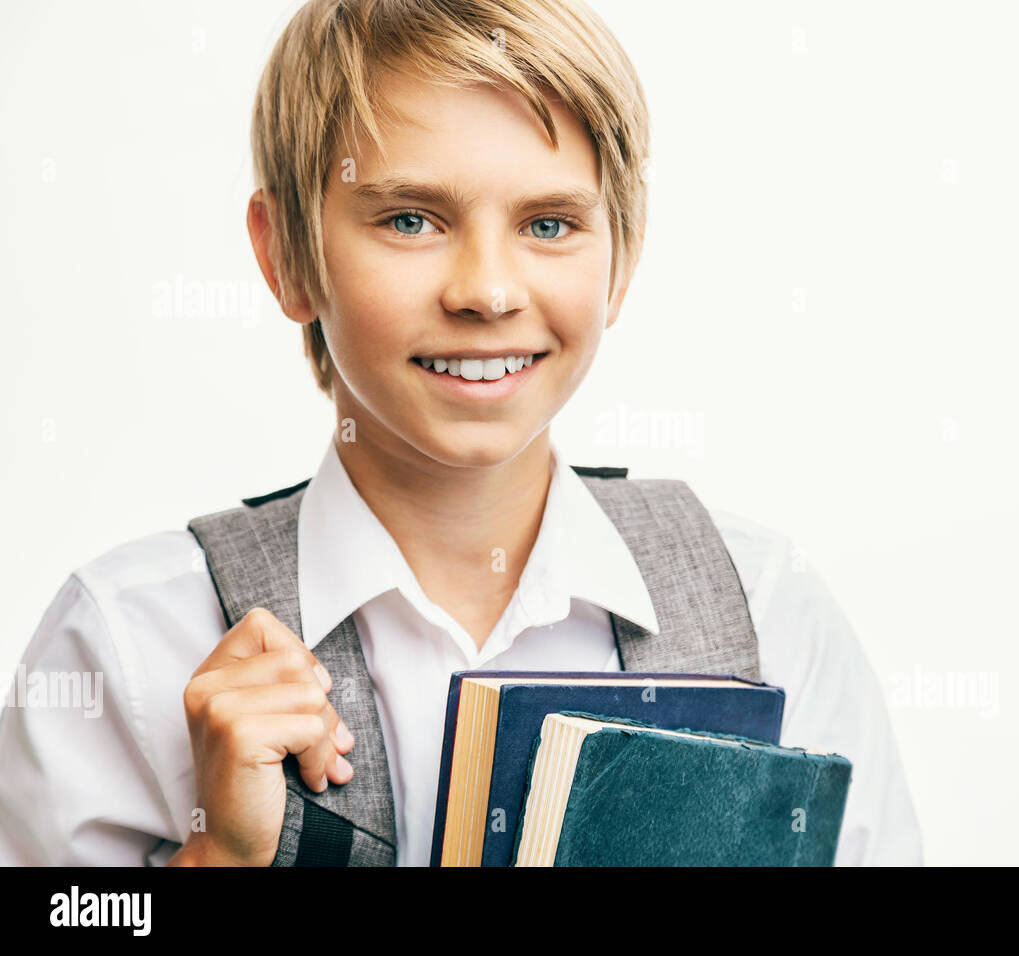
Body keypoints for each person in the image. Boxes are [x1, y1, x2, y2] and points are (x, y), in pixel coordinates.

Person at [0, 0, 922, 866]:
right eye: (411, 219)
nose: (486, 290)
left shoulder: (767, 610)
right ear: (286, 257)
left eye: (550, 223)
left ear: (623, 260)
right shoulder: (127, 641)